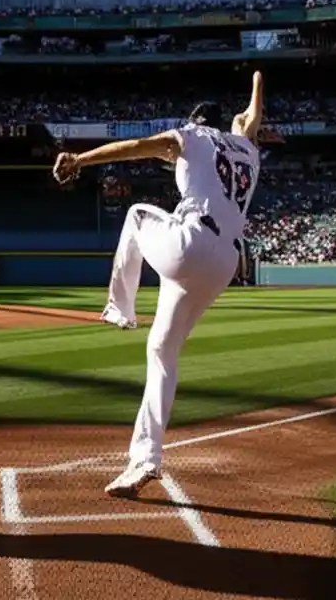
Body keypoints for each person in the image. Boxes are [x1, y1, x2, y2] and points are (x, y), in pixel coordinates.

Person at [52, 71, 264, 498]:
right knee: (161, 350)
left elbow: (133, 149)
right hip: (226, 261)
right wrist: (258, 84)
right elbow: (252, 118)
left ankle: (120, 309)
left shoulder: (190, 135)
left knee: (134, 214)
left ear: (194, 121)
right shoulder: (246, 148)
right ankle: (144, 461)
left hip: (190, 243)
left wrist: (79, 160)